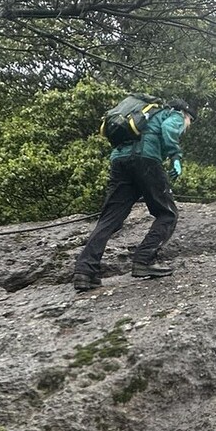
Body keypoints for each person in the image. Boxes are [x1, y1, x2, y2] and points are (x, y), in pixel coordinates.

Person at [72, 99, 191, 291]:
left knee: (110, 219)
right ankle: (144, 260)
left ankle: (84, 271)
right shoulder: (174, 115)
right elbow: (169, 129)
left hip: (119, 160)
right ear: (186, 115)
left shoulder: (144, 115)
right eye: (189, 122)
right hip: (146, 159)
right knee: (167, 213)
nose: (187, 126)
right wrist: (175, 156)